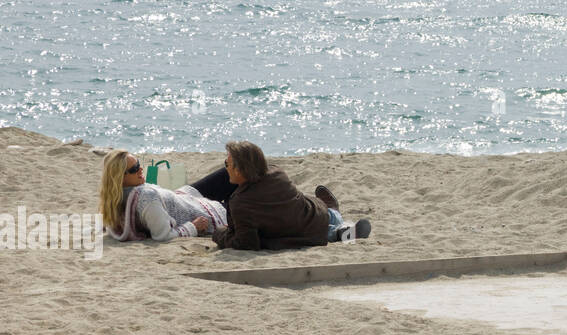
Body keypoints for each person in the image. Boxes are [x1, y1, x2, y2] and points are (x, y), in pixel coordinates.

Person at [213, 140, 371, 251]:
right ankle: (341, 226)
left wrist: (219, 234)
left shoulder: (240, 202)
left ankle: (339, 228)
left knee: (327, 226)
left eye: (227, 164)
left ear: (239, 170)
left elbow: (246, 244)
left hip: (300, 236)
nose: (225, 167)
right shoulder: (277, 173)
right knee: (327, 216)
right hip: (314, 217)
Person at [99, 150, 229, 242]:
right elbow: (163, 235)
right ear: (119, 177)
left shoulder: (113, 197)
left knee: (230, 170)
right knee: (235, 174)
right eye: (134, 169)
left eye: (138, 164)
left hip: (184, 196)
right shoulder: (146, 198)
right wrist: (193, 226)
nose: (140, 169)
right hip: (202, 211)